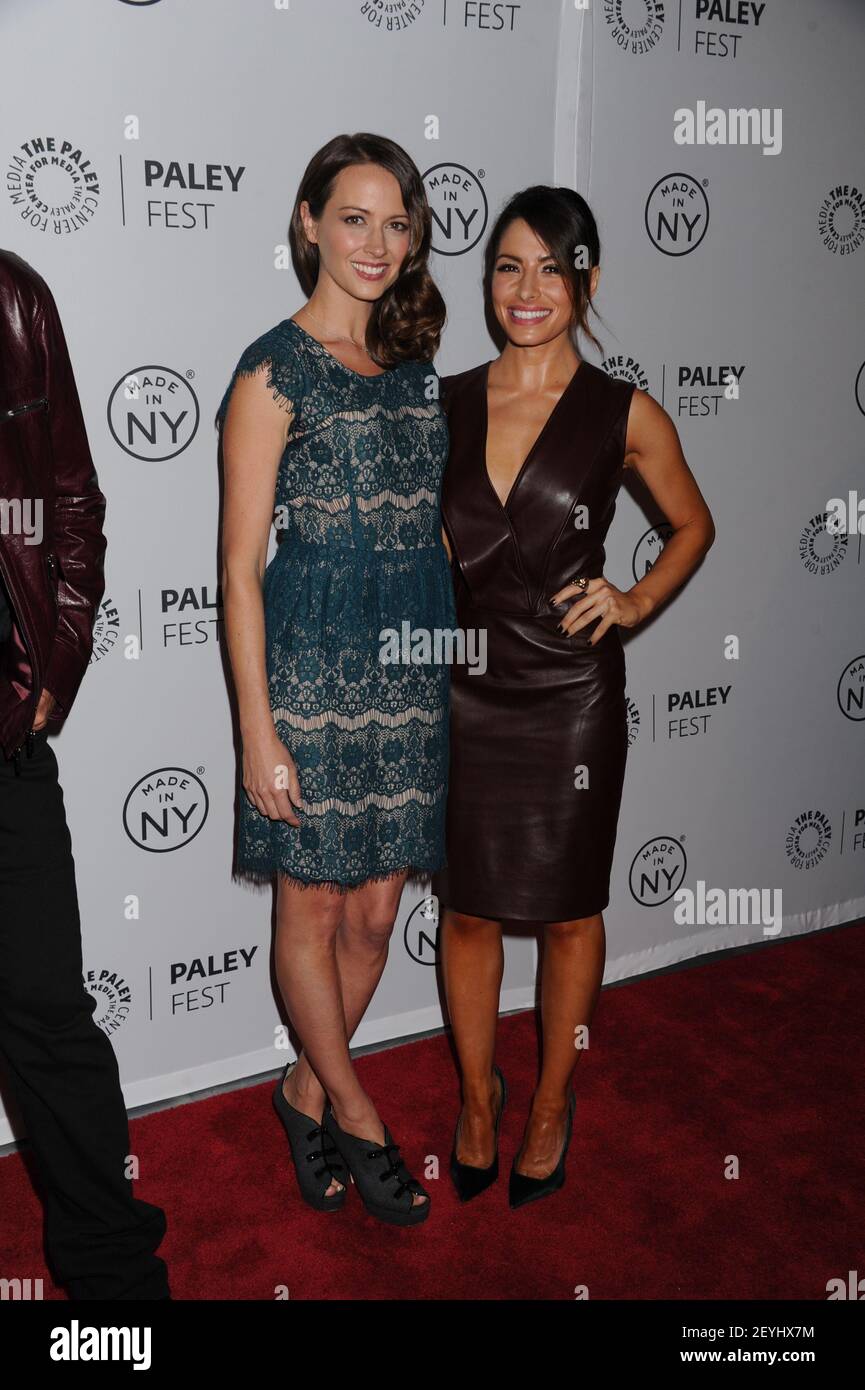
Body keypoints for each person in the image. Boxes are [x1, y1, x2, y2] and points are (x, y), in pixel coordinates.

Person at [432, 187, 715, 1208]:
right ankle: (476, 1098)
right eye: (509, 266)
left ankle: (550, 1104)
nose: (528, 289)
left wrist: (633, 599)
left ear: (584, 278)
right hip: (466, 687)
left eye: (552, 267)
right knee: (465, 910)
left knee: (565, 914)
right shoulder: (448, 401)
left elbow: (692, 524)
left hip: (570, 692)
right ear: (487, 279)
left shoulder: (621, 410)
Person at [217, 133, 455, 1227]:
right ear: (308, 221)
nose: (375, 242)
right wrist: (256, 734)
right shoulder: (271, 368)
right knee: (312, 908)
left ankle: (300, 1088)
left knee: (373, 914)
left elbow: (437, 535)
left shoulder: (415, 367)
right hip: (312, 669)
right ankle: (356, 1112)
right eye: (353, 217)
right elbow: (236, 567)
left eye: (396, 222)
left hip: (410, 669)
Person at [0, 248, 170, 1296]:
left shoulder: (10, 300)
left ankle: (115, 1299)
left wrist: (52, 665)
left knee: (50, 1021)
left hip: (1, 739)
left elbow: (69, 498)